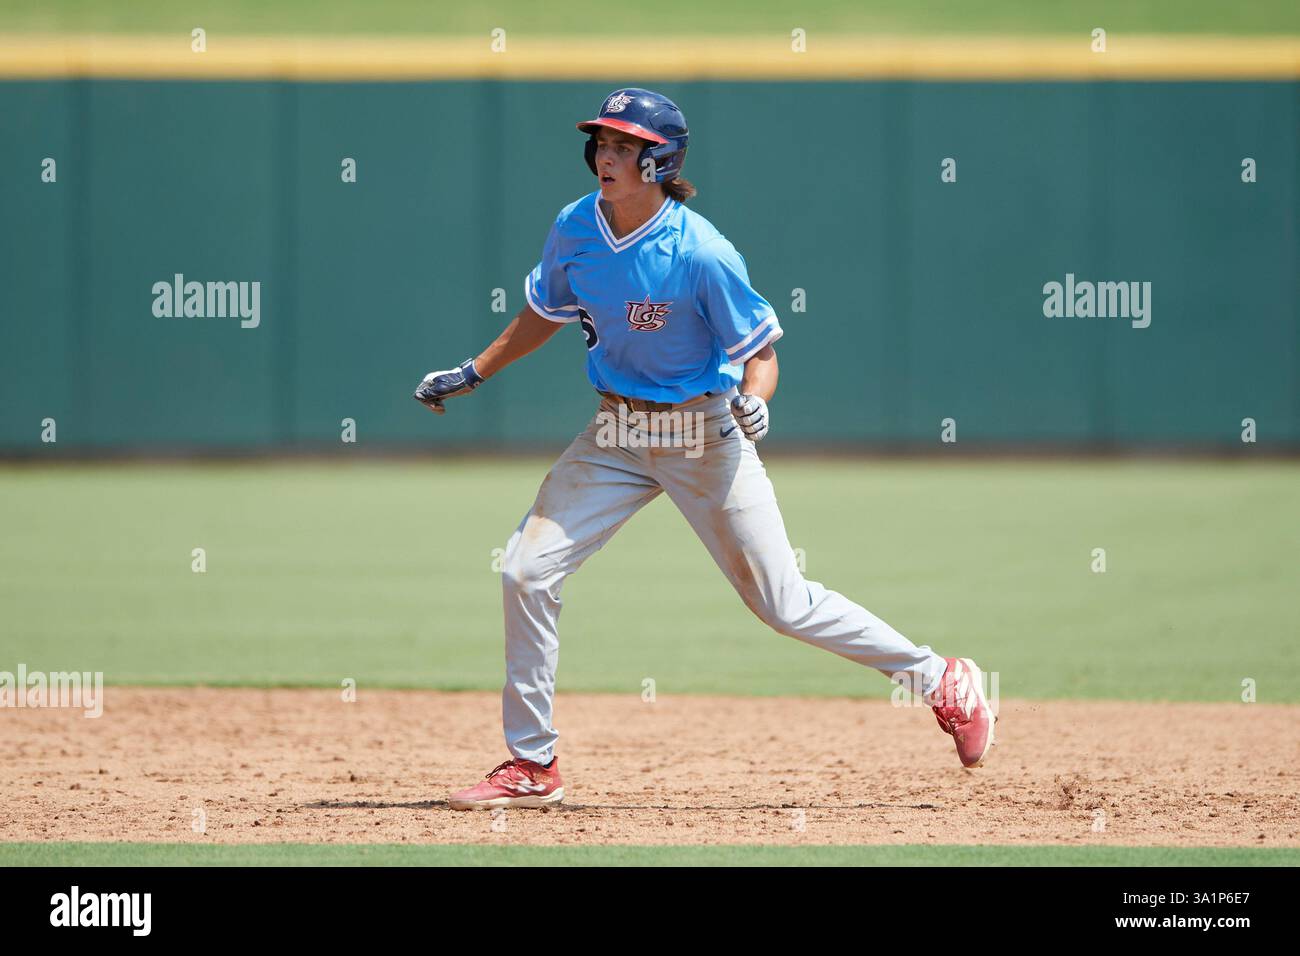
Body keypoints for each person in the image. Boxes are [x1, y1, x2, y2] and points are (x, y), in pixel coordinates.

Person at [414, 88, 996, 810]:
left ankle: (942, 680)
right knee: (526, 572)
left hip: (702, 435)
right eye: (602, 142)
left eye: (625, 146)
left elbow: (762, 354)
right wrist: (475, 371)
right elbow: (543, 313)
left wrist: (756, 398)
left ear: (660, 161)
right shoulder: (575, 227)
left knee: (783, 603)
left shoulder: (701, 251)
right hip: (615, 435)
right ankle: (532, 764)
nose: (607, 155)